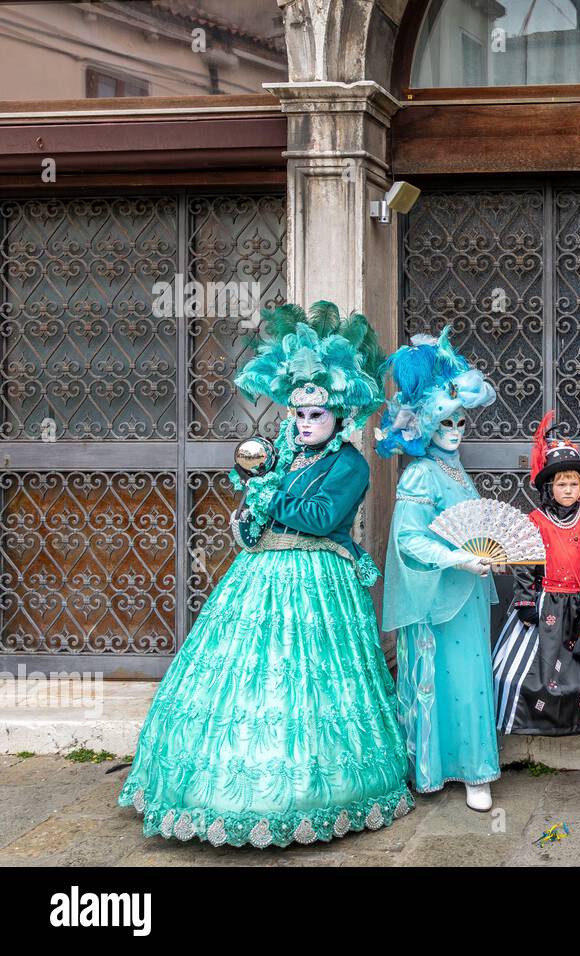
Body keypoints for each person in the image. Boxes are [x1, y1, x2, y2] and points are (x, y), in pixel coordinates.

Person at [118, 302, 412, 848]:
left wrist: (271, 492)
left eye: (316, 416)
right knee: (244, 673)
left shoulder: (349, 463)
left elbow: (323, 517)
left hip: (318, 579)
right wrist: (249, 511)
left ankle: (315, 794)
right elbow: (259, 519)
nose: (304, 424)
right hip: (259, 576)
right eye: (298, 415)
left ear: (340, 416)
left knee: (308, 677)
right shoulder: (282, 453)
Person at [375, 330, 500, 812]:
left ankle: (474, 771)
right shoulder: (420, 473)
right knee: (434, 680)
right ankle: (430, 769)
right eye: (445, 422)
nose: (454, 430)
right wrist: (457, 558)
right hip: (433, 597)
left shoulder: (457, 470)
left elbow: (472, 529)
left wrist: (479, 559)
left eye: (461, 421)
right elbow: (409, 538)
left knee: (470, 681)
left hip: (467, 595)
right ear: (425, 425)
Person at [492, 411, 580, 735]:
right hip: (544, 607)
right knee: (523, 671)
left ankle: (578, 719)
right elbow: (525, 564)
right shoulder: (536, 522)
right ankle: (529, 719)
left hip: (576, 608)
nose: (568, 489)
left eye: (574, 484)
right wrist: (526, 600)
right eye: (561, 484)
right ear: (550, 487)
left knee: (579, 673)